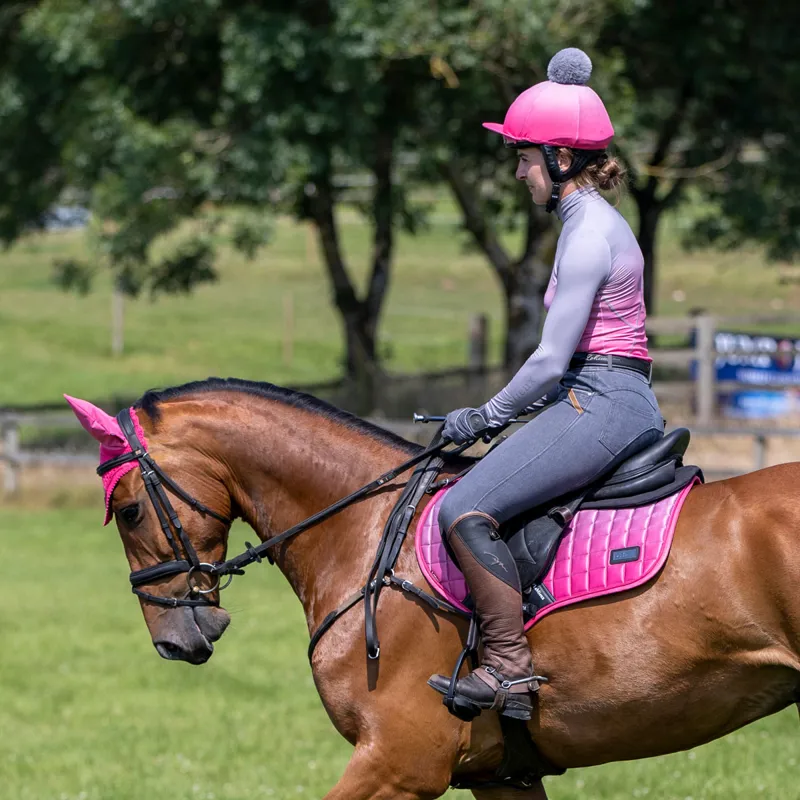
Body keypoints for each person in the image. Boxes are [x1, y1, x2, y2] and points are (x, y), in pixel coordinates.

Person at [427, 48, 664, 721]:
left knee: (462, 508)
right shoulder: (588, 224)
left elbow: (549, 361)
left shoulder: (588, 235)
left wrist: (484, 416)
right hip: (601, 397)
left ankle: (506, 668)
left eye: (524, 158)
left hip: (602, 400)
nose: (518, 171)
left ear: (560, 158)